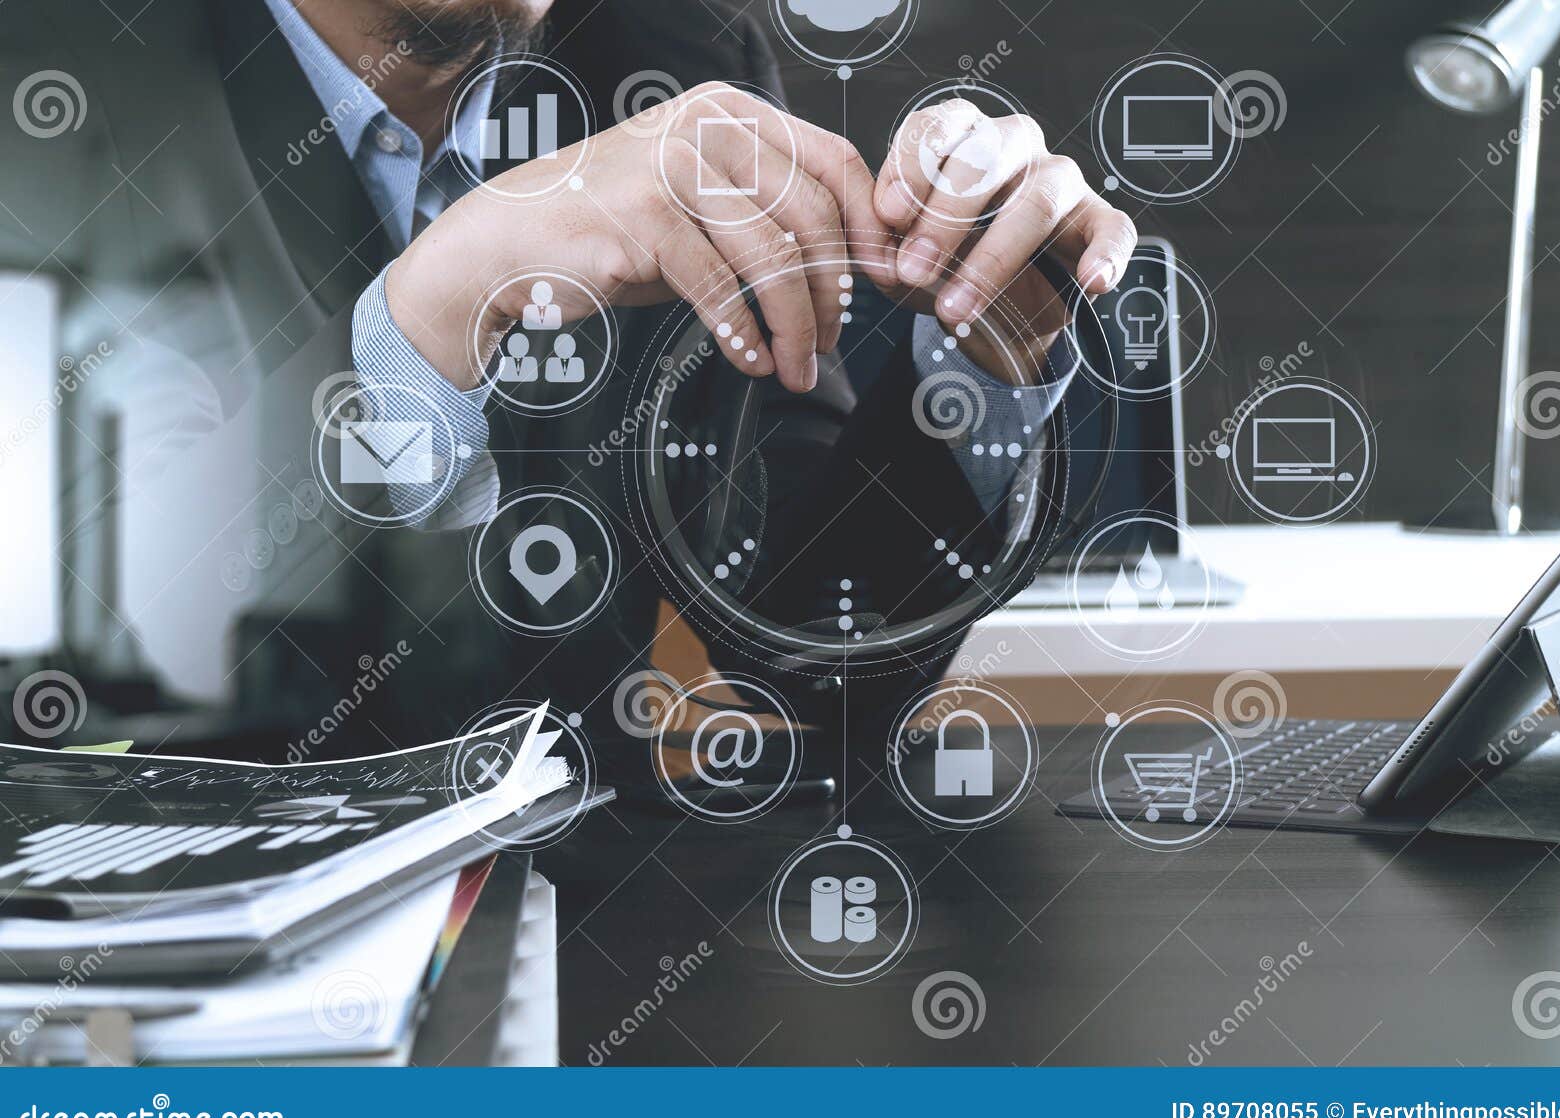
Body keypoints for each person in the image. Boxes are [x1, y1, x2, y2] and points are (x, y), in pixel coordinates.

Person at [0, 0, 1133, 757]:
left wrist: (983, 346)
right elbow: (74, 694)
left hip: (575, 977)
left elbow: (809, 645)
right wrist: (433, 314)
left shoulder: (670, 61)